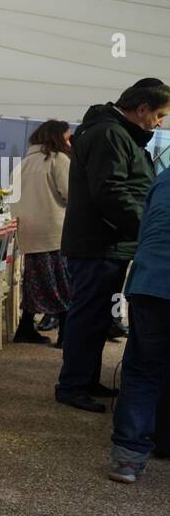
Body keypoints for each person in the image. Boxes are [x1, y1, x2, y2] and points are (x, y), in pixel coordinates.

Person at [57, 78, 170, 412]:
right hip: (99, 243)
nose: (160, 123)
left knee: (95, 318)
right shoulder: (110, 134)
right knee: (88, 316)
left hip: (105, 242)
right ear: (142, 109)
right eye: (159, 115)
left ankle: (85, 379)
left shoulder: (113, 132)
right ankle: (72, 385)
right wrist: (147, 226)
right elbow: (111, 191)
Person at [110, 164, 170, 482]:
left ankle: (127, 460)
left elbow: (145, 231)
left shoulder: (162, 179)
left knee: (142, 369)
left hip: (149, 282)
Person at [14, 120, 72, 344]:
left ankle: (25, 327)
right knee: (63, 284)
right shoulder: (58, 160)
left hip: (28, 232)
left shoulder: (25, 162)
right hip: (54, 231)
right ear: (56, 137)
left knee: (34, 283)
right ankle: (65, 334)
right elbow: (70, 193)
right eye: (67, 138)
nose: (69, 142)